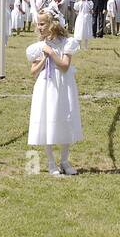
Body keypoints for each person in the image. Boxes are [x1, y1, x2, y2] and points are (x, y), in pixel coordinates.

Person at [27, 10, 83, 176]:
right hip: (46, 84)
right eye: (38, 24)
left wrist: (51, 53)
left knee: (64, 117)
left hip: (64, 84)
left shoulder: (67, 43)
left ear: (52, 24)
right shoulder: (39, 47)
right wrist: (44, 57)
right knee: (48, 117)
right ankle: (51, 162)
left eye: (42, 23)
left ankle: (65, 161)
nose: (39, 27)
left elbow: (64, 66)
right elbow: (33, 71)